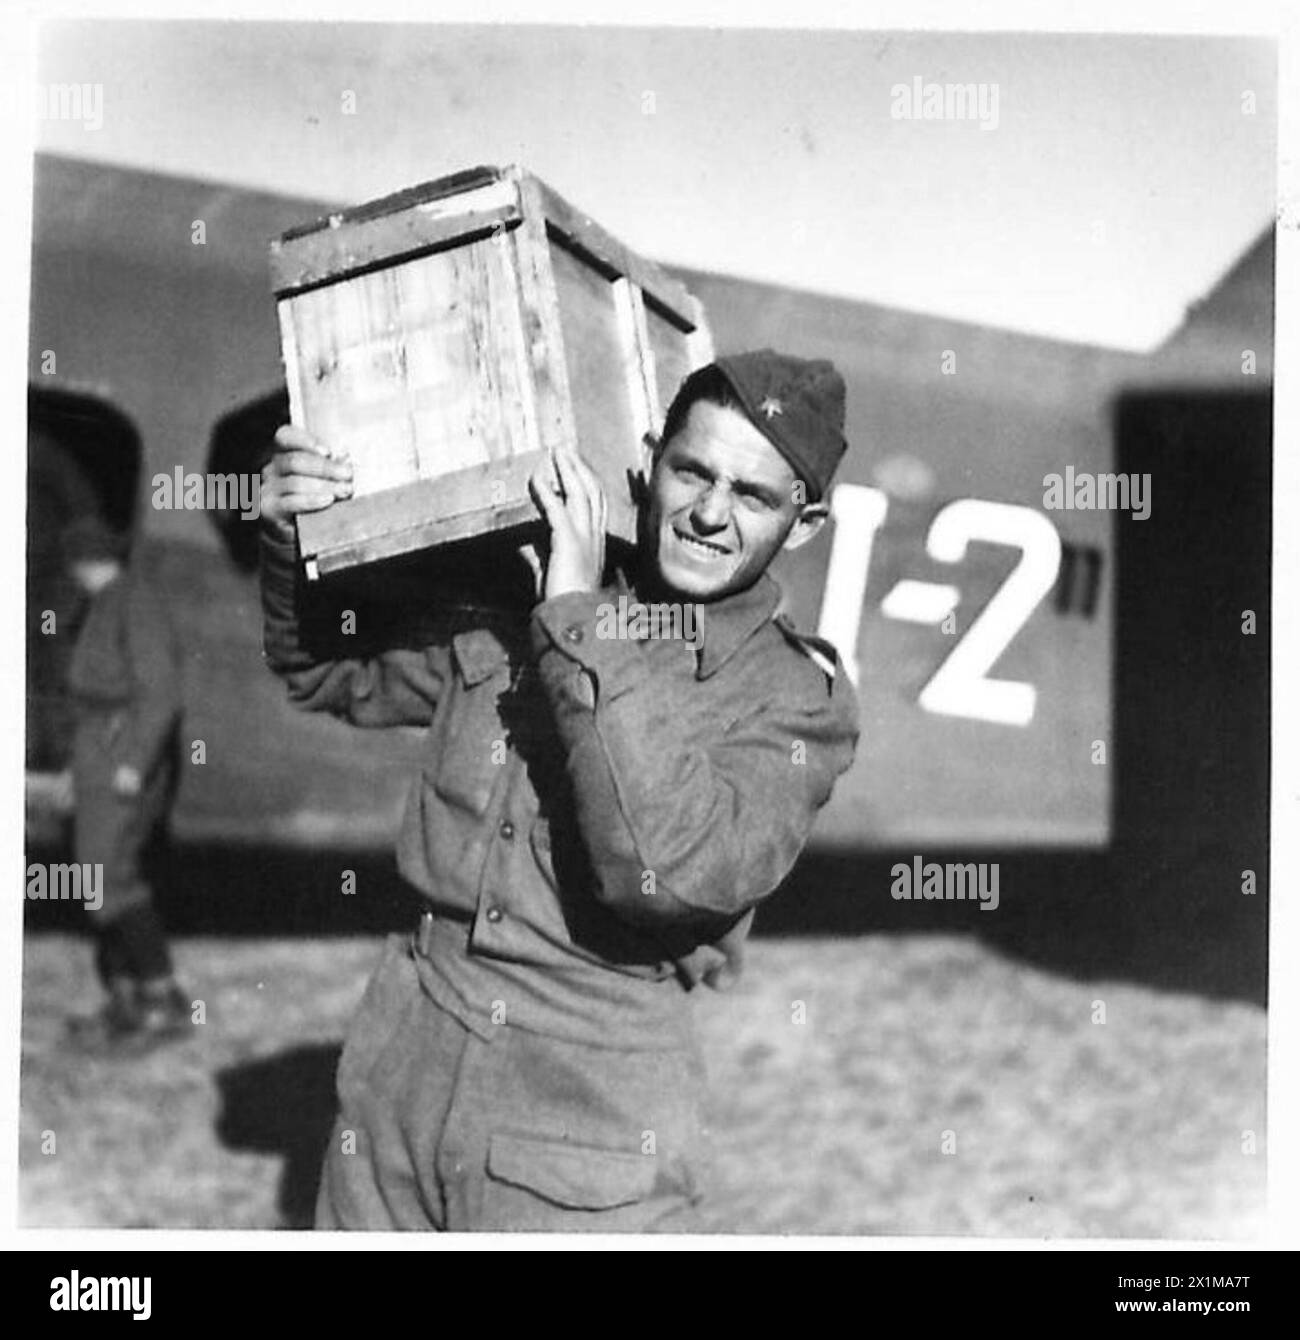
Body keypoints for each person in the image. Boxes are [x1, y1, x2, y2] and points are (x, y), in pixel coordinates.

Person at [259, 349, 860, 1231]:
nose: (708, 514)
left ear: (801, 526)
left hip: (584, 1130)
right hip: (397, 1082)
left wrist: (577, 620)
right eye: (693, 471)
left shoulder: (794, 700)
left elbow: (668, 875)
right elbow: (328, 672)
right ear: (650, 460)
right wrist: (289, 536)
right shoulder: (525, 589)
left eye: (754, 495)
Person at [61, 517, 190, 1053]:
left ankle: (162, 1001)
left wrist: (134, 763)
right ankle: (124, 1002)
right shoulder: (107, 600)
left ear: (84, 559)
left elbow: (160, 693)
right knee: (95, 879)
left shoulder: (132, 601)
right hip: (97, 756)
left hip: (121, 760)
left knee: (110, 878)